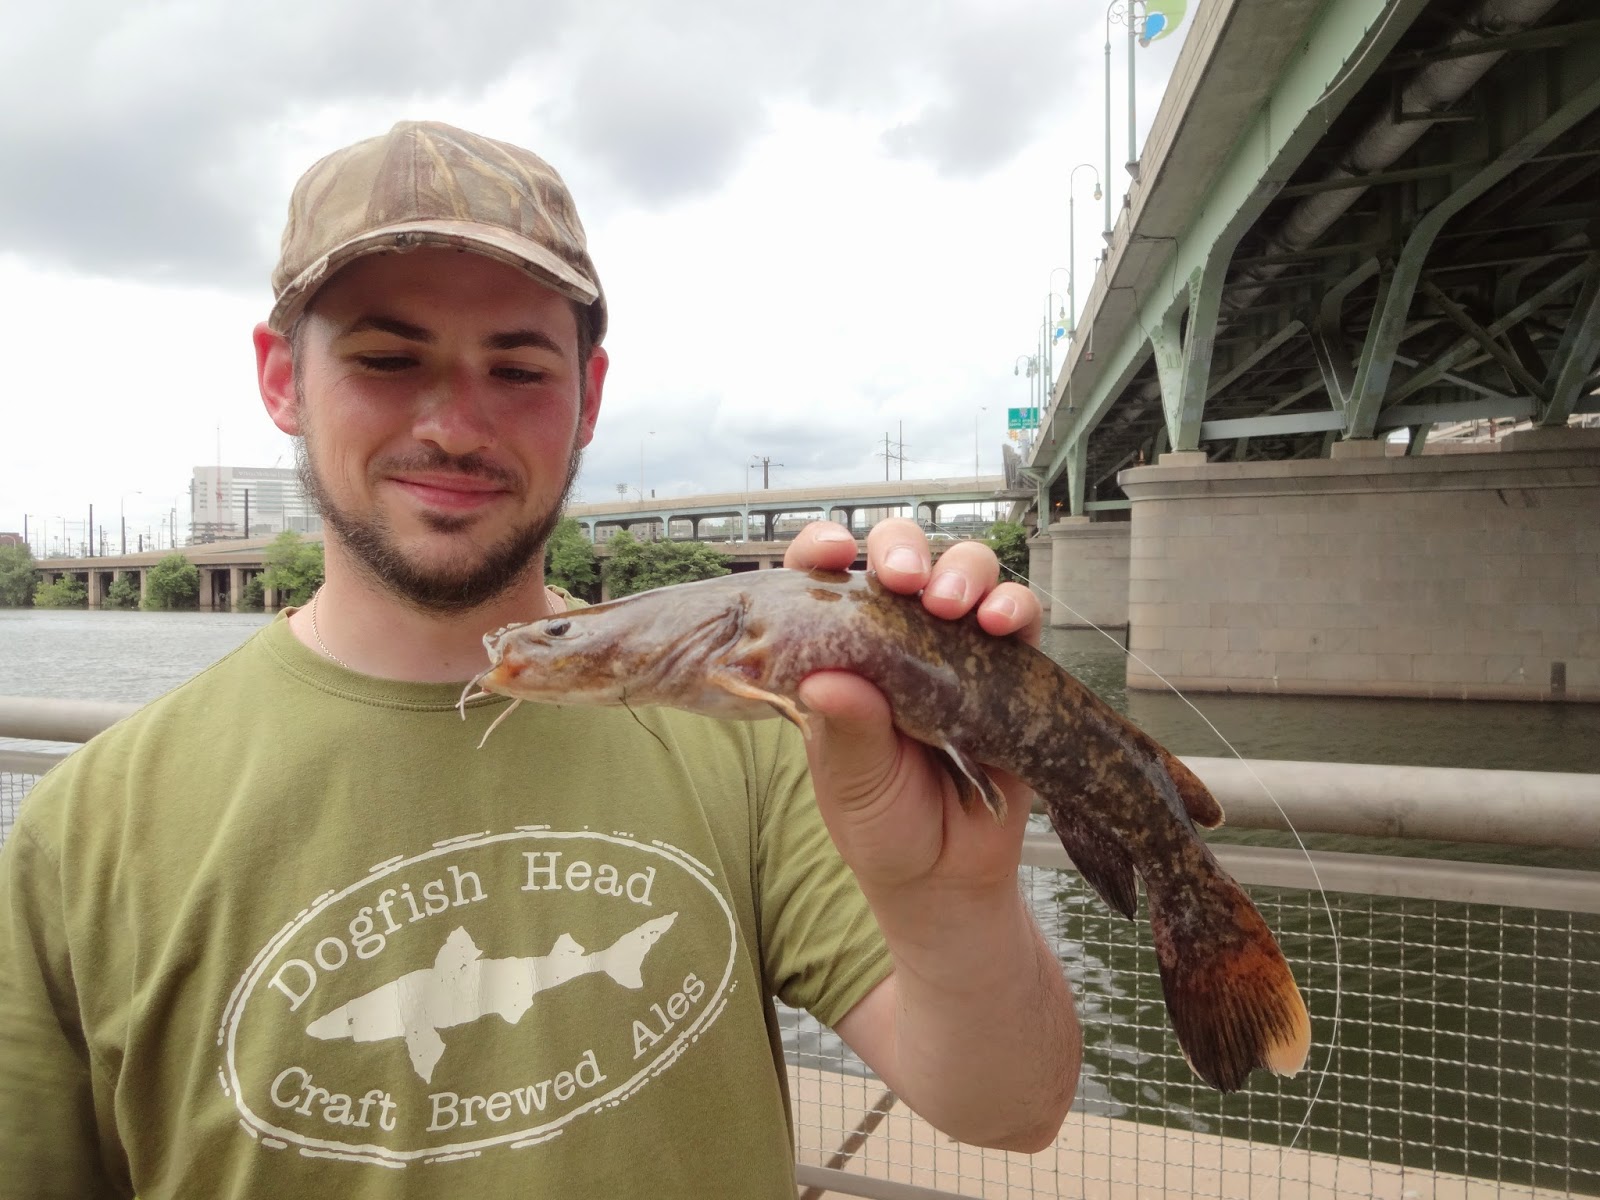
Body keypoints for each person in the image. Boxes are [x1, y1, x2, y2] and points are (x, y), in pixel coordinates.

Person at [0, 120, 1079, 1198]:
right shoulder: (80, 836)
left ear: (590, 397)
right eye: (387, 358)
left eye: (517, 367)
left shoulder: (770, 730)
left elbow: (1012, 1110)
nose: (456, 425)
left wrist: (956, 902)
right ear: (281, 377)